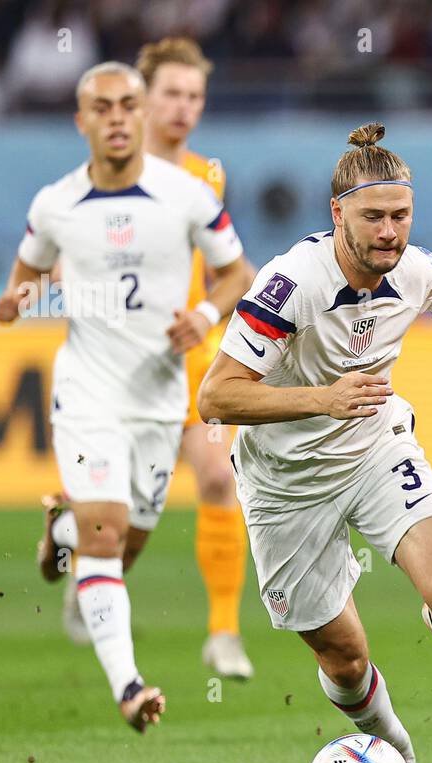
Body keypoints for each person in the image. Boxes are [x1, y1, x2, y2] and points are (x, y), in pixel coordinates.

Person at [197, 124, 432, 763]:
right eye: (374, 216)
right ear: (338, 213)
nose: (390, 232)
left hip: (375, 450)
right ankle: (395, 750)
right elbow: (215, 396)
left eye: (401, 215)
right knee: (344, 660)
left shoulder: (417, 271)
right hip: (286, 488)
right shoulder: (290, 284)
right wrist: (325, 398)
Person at [0, 61, 253, 732]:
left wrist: (203, 315)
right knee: (106, 532)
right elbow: (25, 273)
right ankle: (130, 686)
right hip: (87, 389)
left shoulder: (188, 195)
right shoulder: (55, 202)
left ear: (141, 117)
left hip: (161, 399)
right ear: (82, 121)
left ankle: (60, 531)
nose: (115, 117)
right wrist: (19, 296)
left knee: (126, 542)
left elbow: (237, 274)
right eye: (101, 107)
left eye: (126, 106)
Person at [137, 36, 256, 679]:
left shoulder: (206, 176)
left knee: (218, 477)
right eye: (172, 94)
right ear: (143, 98)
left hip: (192, 354)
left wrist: (207, 315)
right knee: (127, 509)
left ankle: (223, 631)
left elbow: (235, 271)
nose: (184, 108)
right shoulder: (110, 173)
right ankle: (78, 567)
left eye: (194, 96)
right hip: (124, 361)